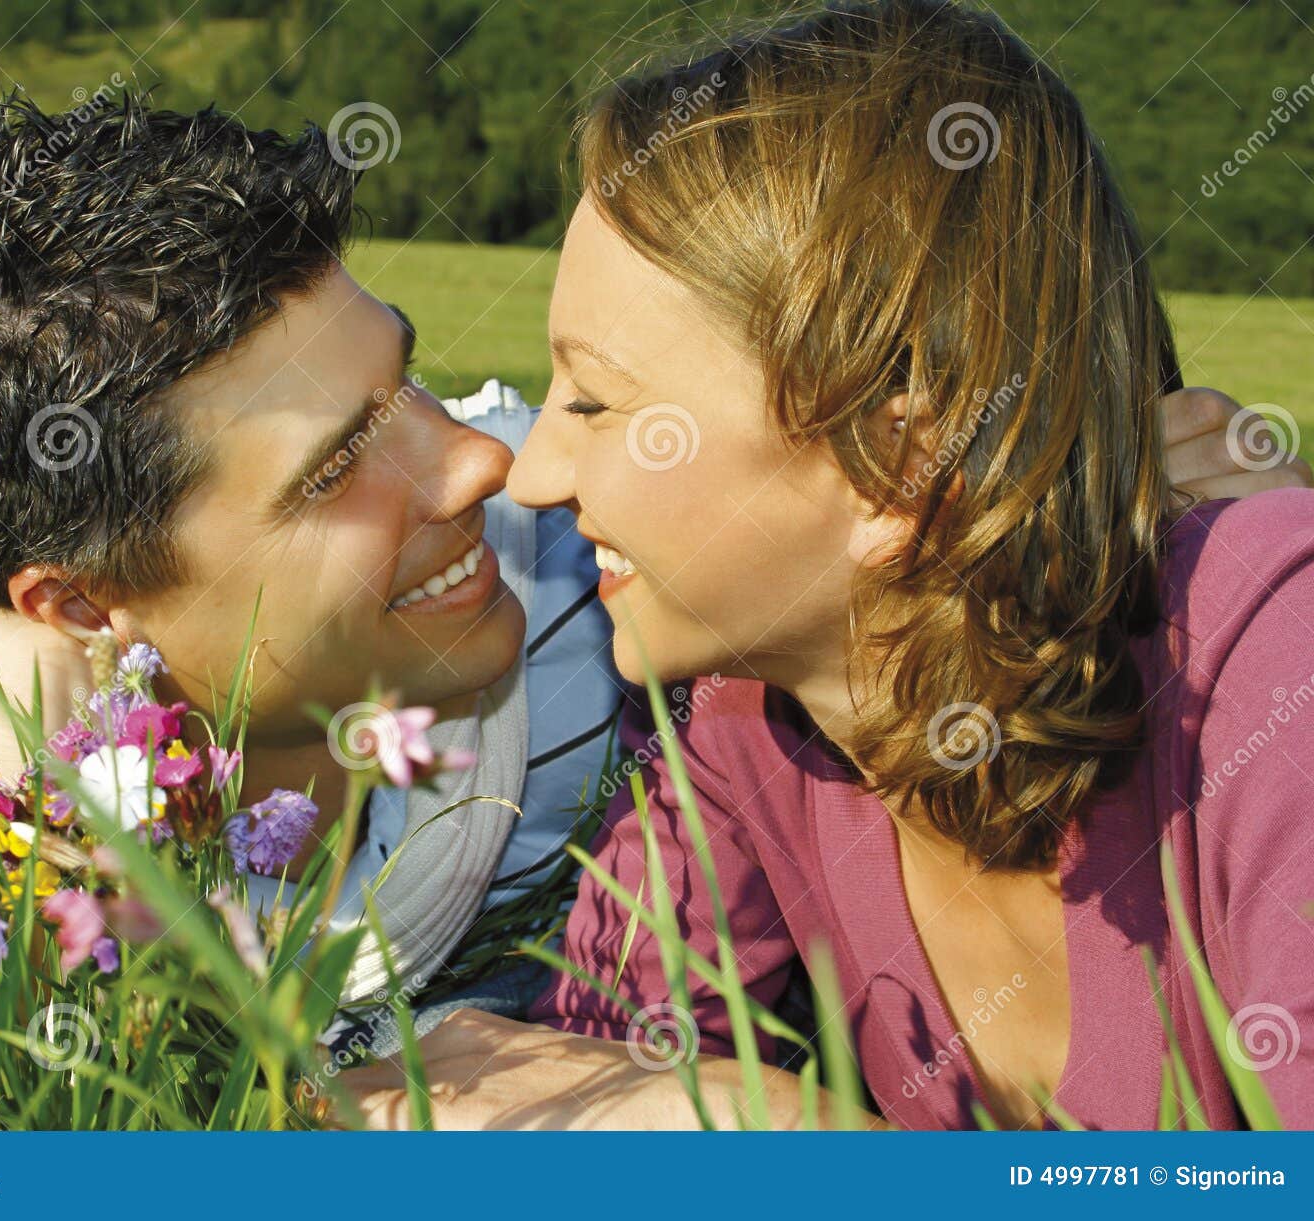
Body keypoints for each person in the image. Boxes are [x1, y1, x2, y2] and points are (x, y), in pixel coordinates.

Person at [345, 0, 1314, 1130]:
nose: (536, 473)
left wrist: (804, 1139)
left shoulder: (1265, 662)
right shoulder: (744, 725)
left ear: (896, 458)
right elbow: (604, 1094)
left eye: (599, 403)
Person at [0, 97, 621, 1048]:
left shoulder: (576, 543)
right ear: (80, 607)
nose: (480, 464)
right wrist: (17, 745)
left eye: (407, 382)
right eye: (335, 468)